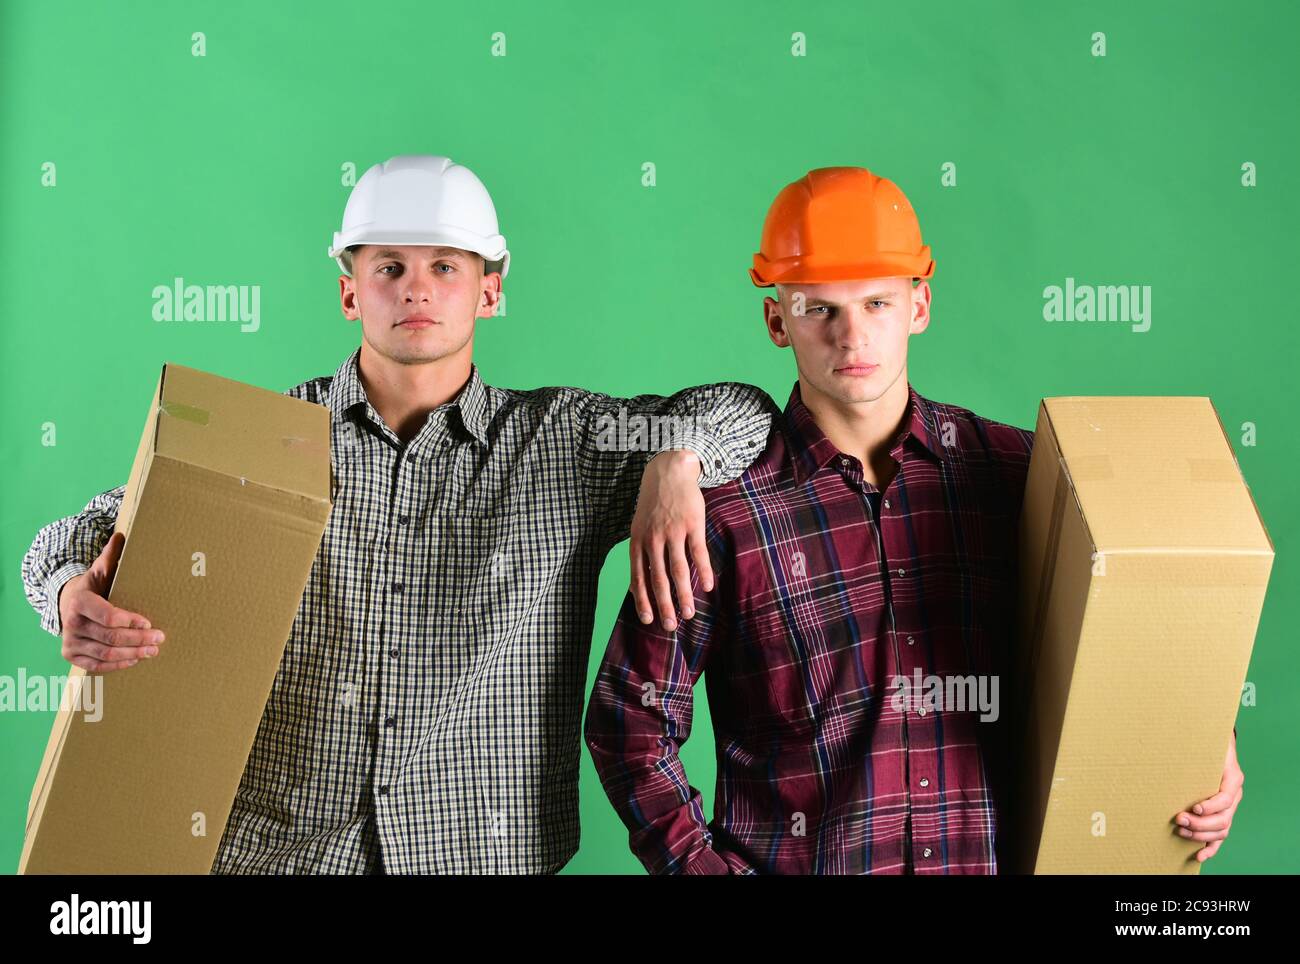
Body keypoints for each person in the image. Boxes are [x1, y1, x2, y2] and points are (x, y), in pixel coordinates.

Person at [20, 154, 780, 874]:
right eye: (390, 267)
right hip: (283, 852)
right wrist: (66, 594)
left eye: (445, 266)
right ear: (351, 292)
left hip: (482, 853)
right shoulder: (269, 436)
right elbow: (69, 537)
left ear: (489, 291)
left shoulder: (567, 443)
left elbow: (747, 412)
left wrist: (675, 458)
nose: (416, 289)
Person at [583, 166, 1244, 873]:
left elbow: (1133, 631)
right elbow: (630, 724)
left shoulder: (1020, 475)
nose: (850, 336)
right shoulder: (723, 514)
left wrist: (1206, 741)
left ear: (919, 306)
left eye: (876, 303)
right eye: (819, 309)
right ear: (778, 320)